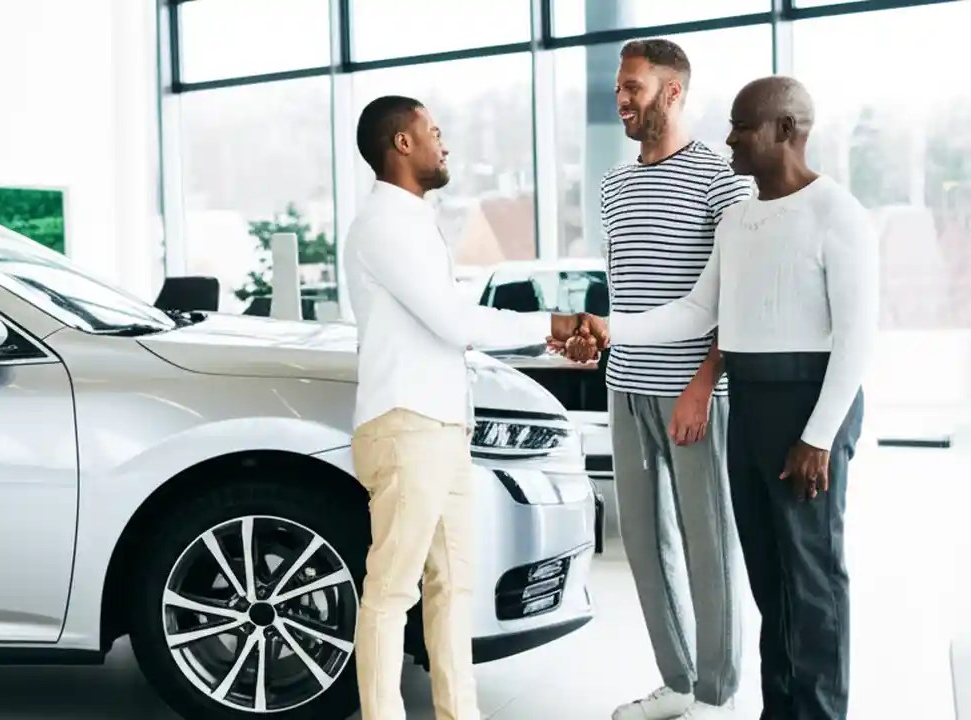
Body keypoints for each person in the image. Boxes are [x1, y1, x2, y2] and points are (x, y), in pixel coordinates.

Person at [561, 75, 879, 720]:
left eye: (743, 126)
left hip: (810, 403)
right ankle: (780, 709)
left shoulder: (836, 212)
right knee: (768, 575)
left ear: (785, 130)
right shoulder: (738, 218)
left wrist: (818, 436)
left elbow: (856, 339)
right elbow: (695, 309)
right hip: (754, 401)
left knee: (813, 578)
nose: (730, 137)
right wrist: (612, 326)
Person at [344, 95, 601, 720]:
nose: (444, 142)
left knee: (454, 586)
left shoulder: (410, 221)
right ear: (401, 145)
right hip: (407, 427)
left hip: (441, 429)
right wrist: (555, 322)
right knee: (391, 590)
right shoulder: (384, 224)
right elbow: (453, 320)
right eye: (434, 131)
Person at [599, 38, 752, 720]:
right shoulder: (615, 185)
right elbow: (631, 289)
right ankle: (680, 680)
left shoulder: (724, 180)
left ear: (673, 91)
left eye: (633, 86)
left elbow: (734, 298)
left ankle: (718, 693)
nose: (621, 98)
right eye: (620, 87)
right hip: (624, 385)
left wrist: (704, 379)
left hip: (695, 392)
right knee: (642, 542)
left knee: (707, 544)